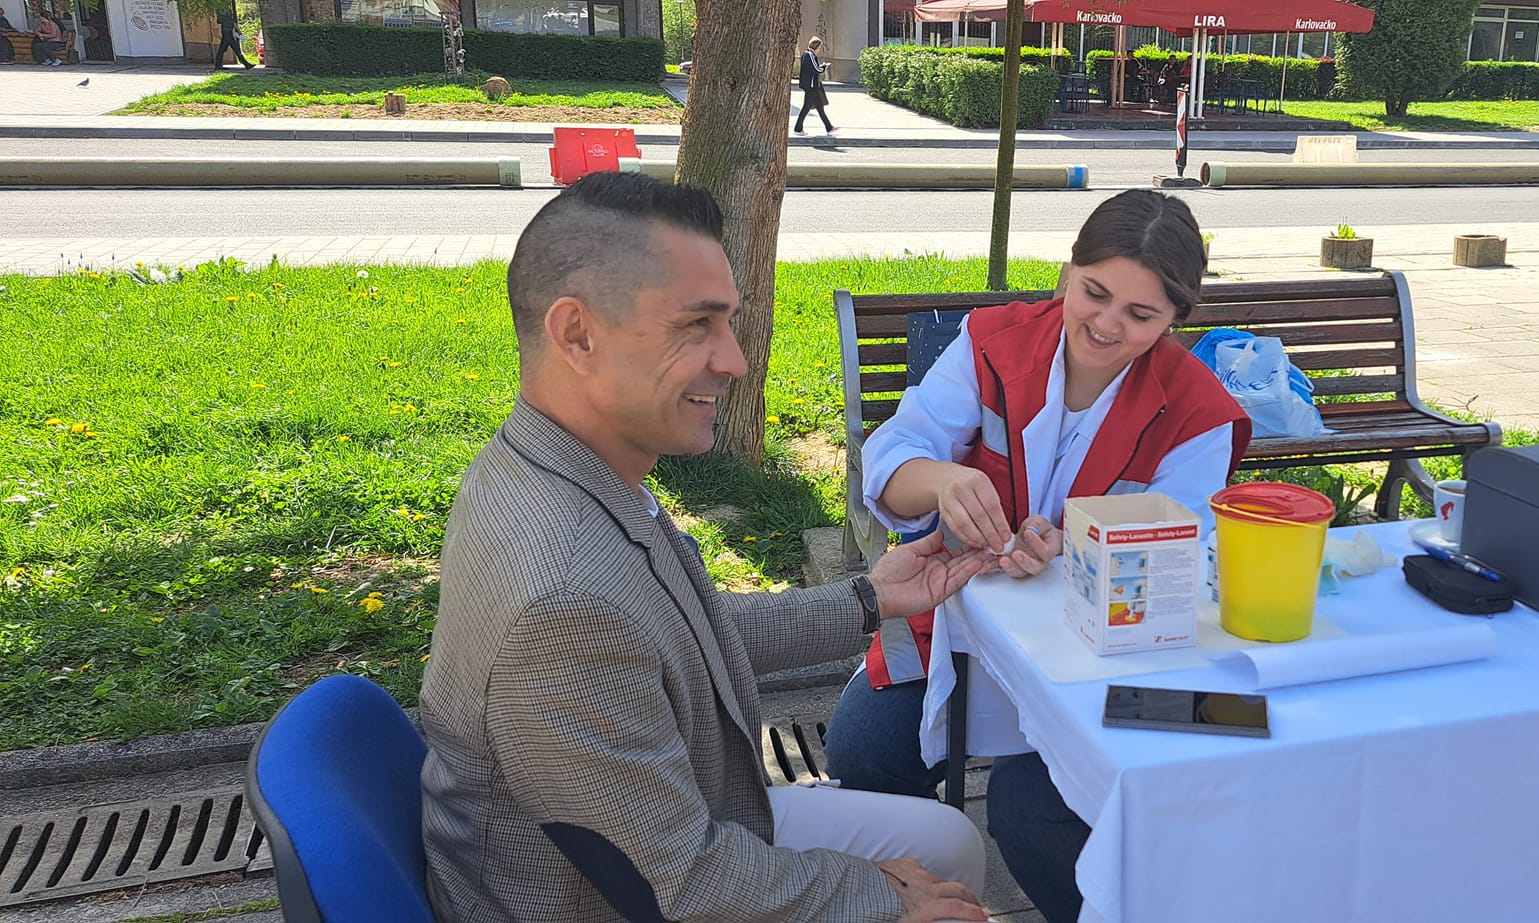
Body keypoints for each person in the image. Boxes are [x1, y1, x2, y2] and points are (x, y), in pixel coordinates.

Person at [418, 172, 994, 923]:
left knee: (948, 843)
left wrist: (871, 597)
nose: (736, 361)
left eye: (729, 323)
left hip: (665, 829)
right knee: (947, 894)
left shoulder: (550, 466)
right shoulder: (562, 600)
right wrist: (880, 897)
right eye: (697, 325)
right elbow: (683, 884)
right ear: (576, 334)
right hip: (599, 896)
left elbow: (678, 633)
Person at [825, 190, 1251, 922]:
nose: (1107, 325)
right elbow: (896, 456)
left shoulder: (1198, 411)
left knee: (1030, 811)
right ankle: (923, 897)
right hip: (960, 630)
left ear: (1177, 321)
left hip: (1099, 657)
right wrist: (945, 480)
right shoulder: (993, 343)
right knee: (860, 748)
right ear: (1065, 272)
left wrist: (1079, 552)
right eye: (1095, 292)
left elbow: (1177, 555)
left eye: (1141, 315)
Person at [795, 36, 835, 135]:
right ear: (815, 47)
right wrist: (824, 67)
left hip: (812, 85)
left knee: (819, 107)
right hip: (811, 85)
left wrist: (821, 67)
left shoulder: (807, 55)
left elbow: (814, 67)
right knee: (807, 107)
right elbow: (816, 69)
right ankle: (798, 128)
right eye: (819, 48)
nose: (819, 50)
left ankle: (829, 127)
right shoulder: (810, 55)